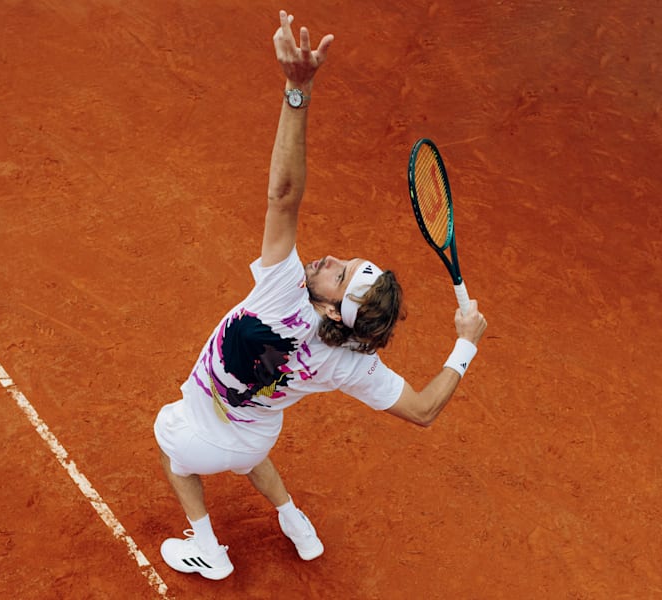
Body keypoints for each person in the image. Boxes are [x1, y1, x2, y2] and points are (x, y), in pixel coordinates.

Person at [154, 10, 488, 581]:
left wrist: (298, 89)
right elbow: (424, 411)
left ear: (334, 307)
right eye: (345, 261)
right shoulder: (354, 361)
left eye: (337, 274)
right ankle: (294, 520)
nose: (329, 259)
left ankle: (208, 547)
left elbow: (283, 195)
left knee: (170, 448)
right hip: (256, 430)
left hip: (203, 427)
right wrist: (465, 345)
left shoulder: (282, 291)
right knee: (251, 446)